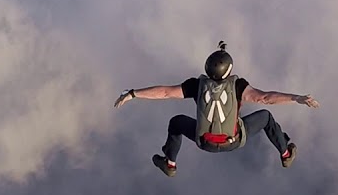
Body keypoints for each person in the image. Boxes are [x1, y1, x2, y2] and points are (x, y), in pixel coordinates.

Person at [113, 42, 320, 177]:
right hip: (234, 140)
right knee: (266, 117)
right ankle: (285, 154)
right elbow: (265, 98)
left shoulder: (196, 85)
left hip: (204, 142)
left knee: (176, 122)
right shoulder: (237, 86)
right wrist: (296, 98)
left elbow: (166, 92)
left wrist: (133, 93)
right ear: (229, 70)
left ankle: (170, 163)